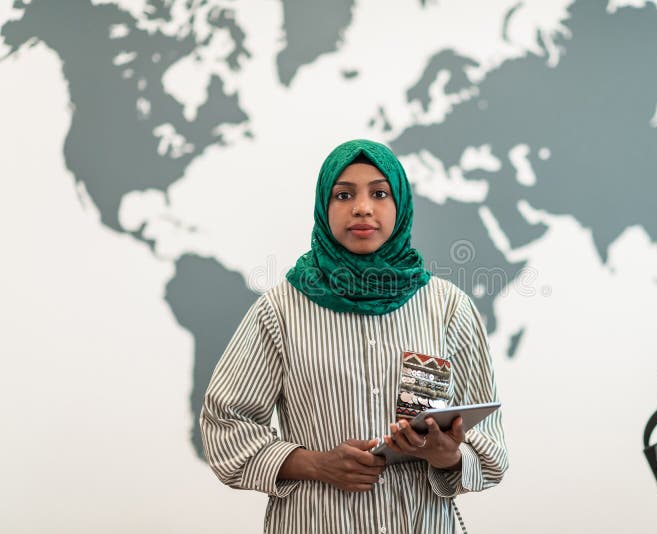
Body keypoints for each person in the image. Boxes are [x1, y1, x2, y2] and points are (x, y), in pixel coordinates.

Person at [200, 139, 508, 534]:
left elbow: (490, 448)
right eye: (343, 195)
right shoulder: (279, 310)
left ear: (401, 206)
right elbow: (225, 424)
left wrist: (446, 455)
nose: (362, 207)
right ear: (323, 208)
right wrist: (315, 463)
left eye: (380, 193)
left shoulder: (449, 308)